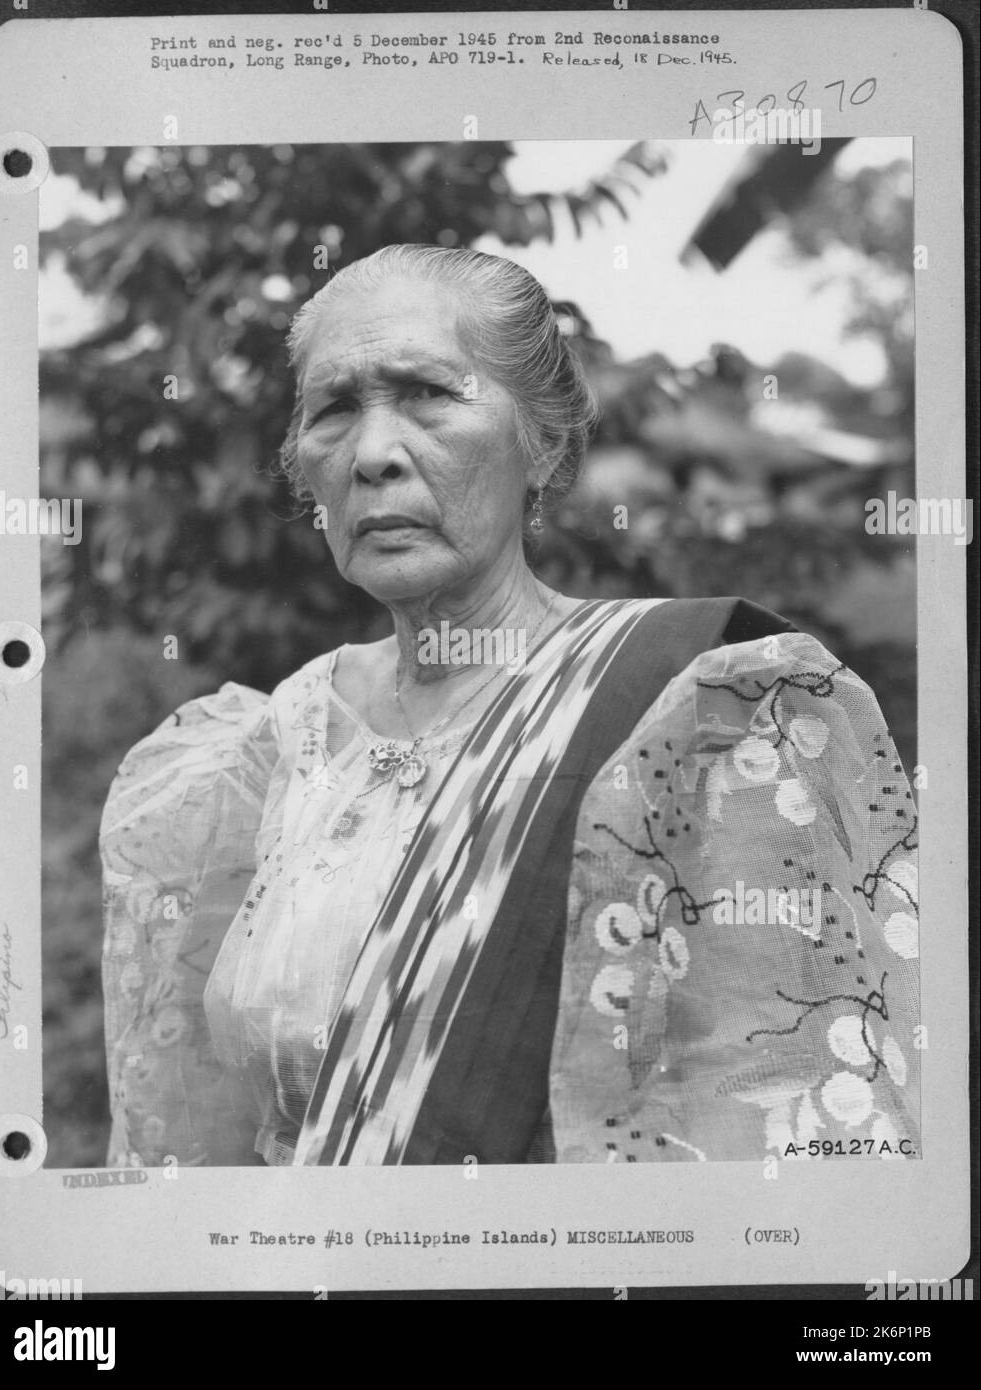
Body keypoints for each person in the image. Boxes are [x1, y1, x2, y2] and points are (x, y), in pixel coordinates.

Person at [101, 244, 920, 1168]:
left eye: (426, 396)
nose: (372, 454)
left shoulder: (694, 715)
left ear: (546, 446)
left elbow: (779, 1137)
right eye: (333, 410)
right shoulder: (263, 751)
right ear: (302, 469)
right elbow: (188, 1154)